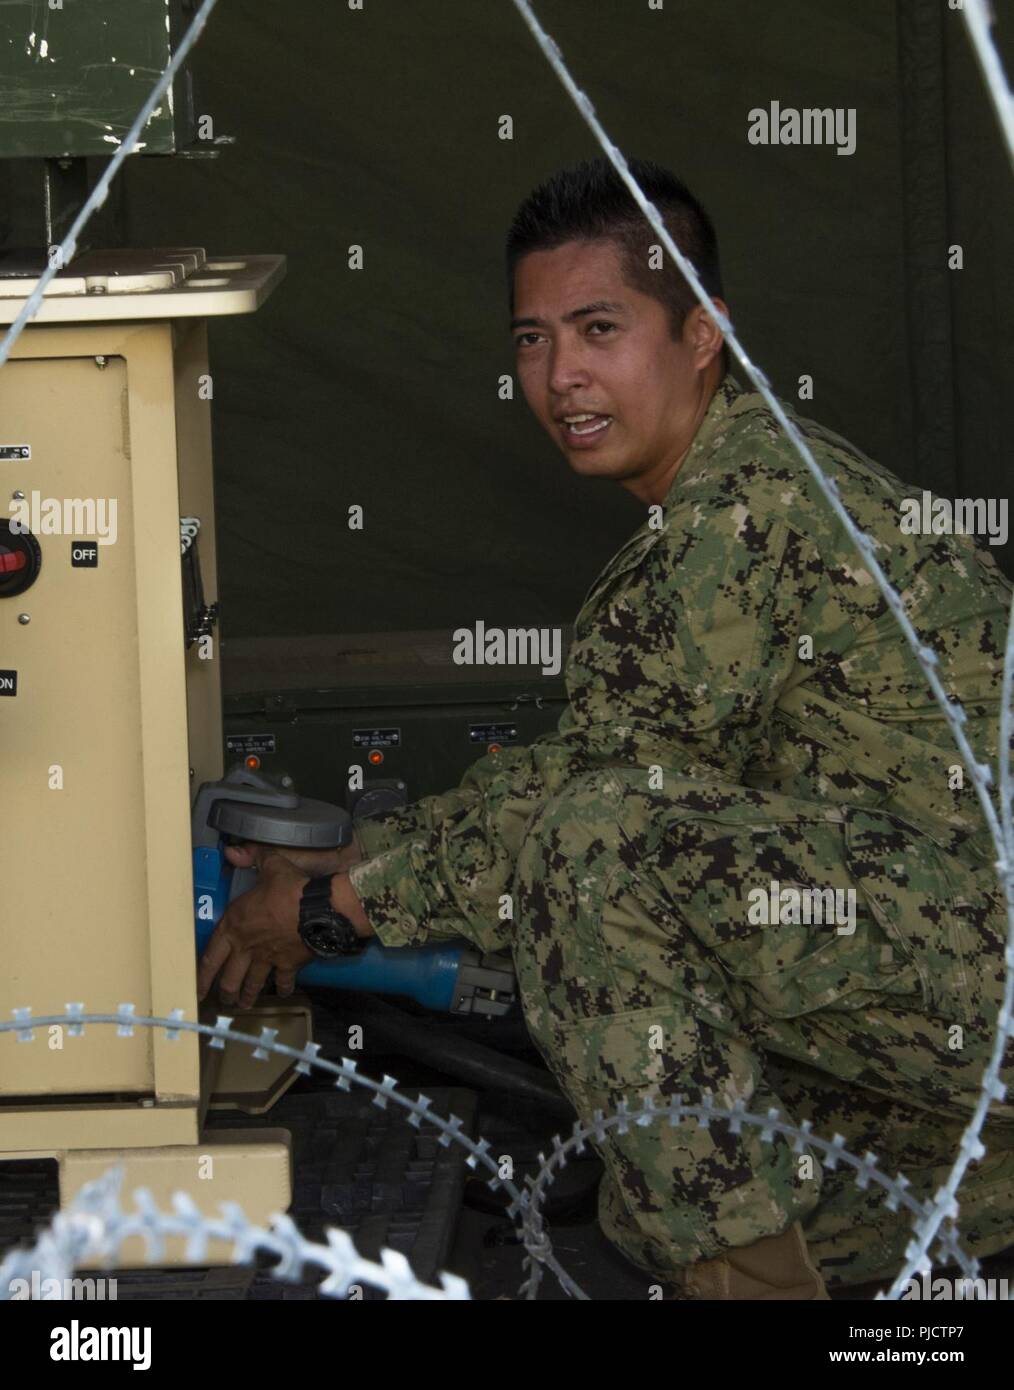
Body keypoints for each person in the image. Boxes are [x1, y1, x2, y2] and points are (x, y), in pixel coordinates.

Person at [198, 157, 1014, 1300]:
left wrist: (325, 912)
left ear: (700, 335)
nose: (562, 375)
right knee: (650, 1189)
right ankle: (955, 1191)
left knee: (598, 852)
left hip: (971, 971)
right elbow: (593, 763)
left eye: (598, 328)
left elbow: (585, 818)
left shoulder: (736, 523)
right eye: (532, 338)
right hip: (942, 955)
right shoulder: (748, 476)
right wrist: (362, 855)